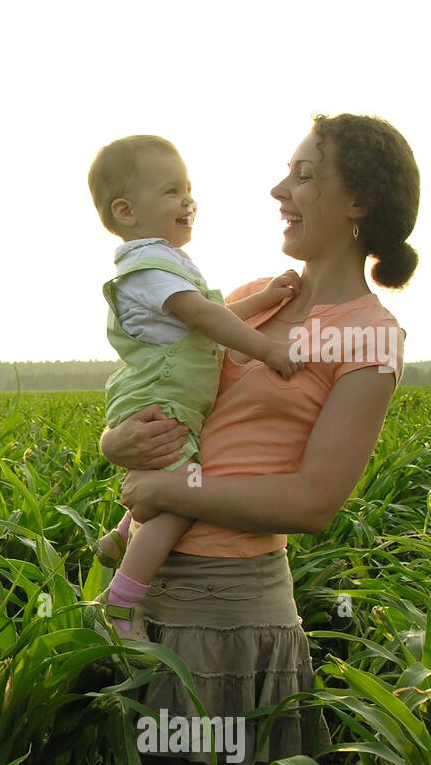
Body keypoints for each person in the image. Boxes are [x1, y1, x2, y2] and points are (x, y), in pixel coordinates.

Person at [98, 113, 419, 765]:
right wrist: (115, 445)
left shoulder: (370, 337)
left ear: (361, 200)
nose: (281, 189)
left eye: (305, 174)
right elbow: (167, 401)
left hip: (235, 603)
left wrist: (173, 491)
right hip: (162, 581)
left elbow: (314, 500)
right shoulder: (249, 300)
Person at [86, 135, 303, 642]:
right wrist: (267, 348)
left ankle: (121, 537)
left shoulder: (167, 262)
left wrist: (265, 299)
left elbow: (209, 316)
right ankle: (120, 603)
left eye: (188, 190)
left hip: (166, 398)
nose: (188, 201)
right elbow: (206, 317)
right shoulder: (147, 269)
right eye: (171, 192)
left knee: (180, 480)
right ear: (126, 210)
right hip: (157, 400)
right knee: (183, 499)